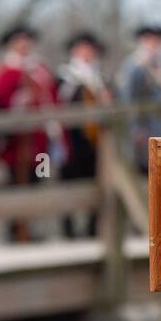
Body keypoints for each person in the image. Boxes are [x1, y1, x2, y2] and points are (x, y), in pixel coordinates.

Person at [0, 24, 61, 241]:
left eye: (27, 40)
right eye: (19, 41)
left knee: (37, 179)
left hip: (39, 139)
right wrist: (17, 103)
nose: (24, 45)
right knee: (16, 183)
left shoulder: (40, 69)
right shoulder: (5, 72)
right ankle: (16, 230)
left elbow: (52, 98)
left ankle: (33, 227)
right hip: (16, 141)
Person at [57, 31, 112, 237]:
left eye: (90, 49)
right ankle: (68, 231)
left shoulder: (101, 79)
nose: (86, 53)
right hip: (72, 140)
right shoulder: (64, 77)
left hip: (96, 140)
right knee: (69, 184)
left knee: (98, 182)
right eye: (82, 49)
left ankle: (93, 229)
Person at [119, 24, 161, 172]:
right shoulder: (132, 65)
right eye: (149, 39)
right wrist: (136, 128)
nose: (153, 43)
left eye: (157, 40)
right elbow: (127, 98)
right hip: (144, 128)